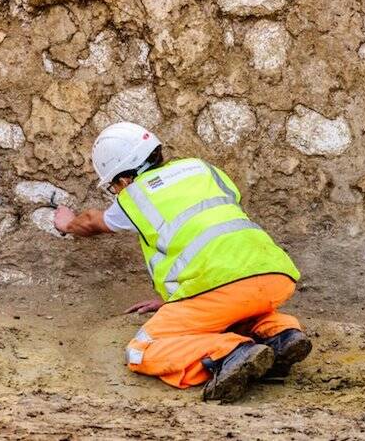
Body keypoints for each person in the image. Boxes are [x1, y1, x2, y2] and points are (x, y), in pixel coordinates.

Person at [54, 122, 312, 402]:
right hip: (274, 274)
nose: (117, 191)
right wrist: (179, 300)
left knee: (141, 350)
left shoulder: (137, 194)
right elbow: (205, 231)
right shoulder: (202, 169)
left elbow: (92, 222)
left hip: (219, 285)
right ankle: (282, 334)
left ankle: (229, 352)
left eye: (114, 185)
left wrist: (67, 224)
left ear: (125, 180)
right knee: (231, 315)